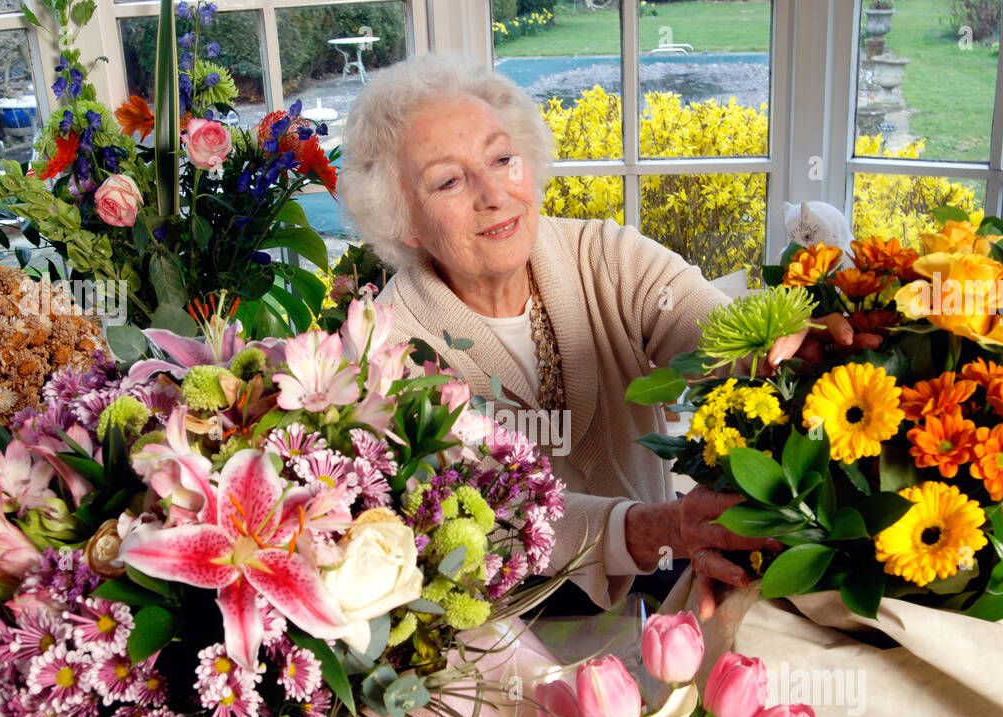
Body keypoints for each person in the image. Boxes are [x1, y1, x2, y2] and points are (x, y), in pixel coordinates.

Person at [338, 54, 825, 620]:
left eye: (503, 158)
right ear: (404, 221)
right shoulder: (385, 346)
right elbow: (485, 512)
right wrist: (654, 528)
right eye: (448, 180)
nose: (494, 193)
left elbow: (709, 329)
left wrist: (776, 350)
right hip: (495, 623)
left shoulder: (605, 255)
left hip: (662, 564)